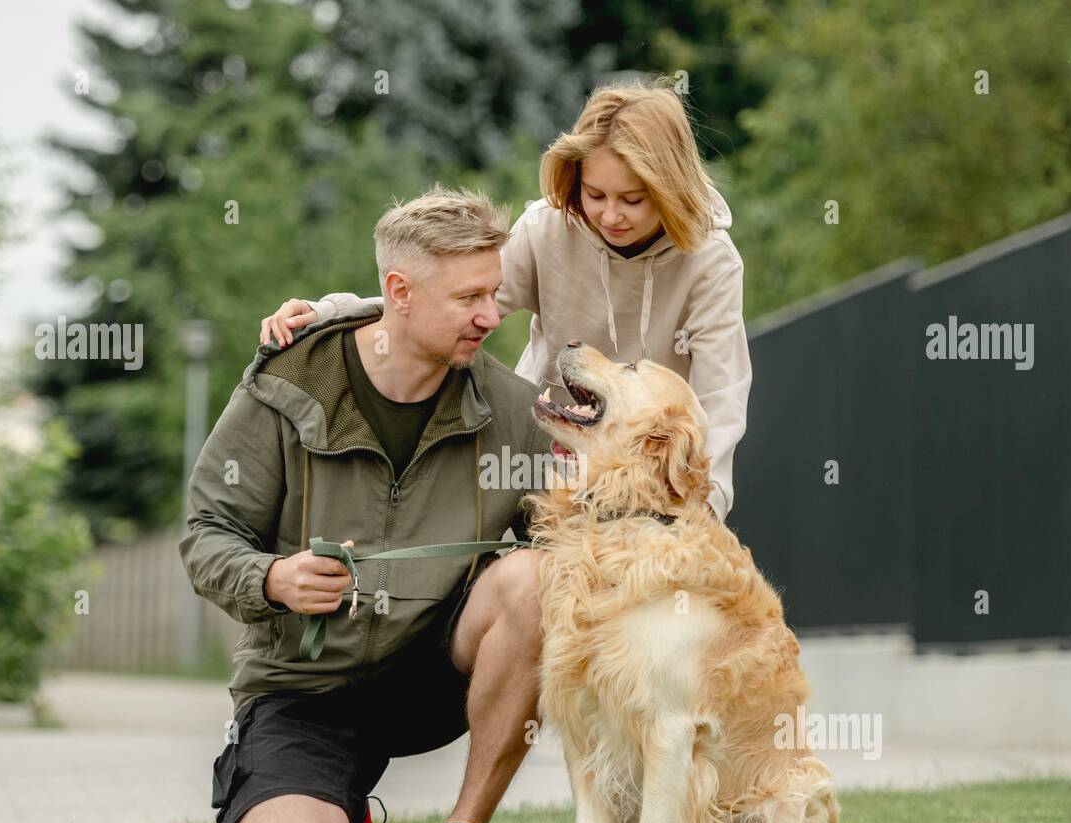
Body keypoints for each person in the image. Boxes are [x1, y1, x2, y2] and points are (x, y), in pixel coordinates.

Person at [181, 185, 554, 823]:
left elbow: (569, 550)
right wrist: (272, 579)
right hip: (304, 686)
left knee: (539, 578)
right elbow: (206, 534)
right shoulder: (283, 387)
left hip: (436, 675)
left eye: (493, 294)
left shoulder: (511, 408)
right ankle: (342, 809)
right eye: (469, 298)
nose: (490, 316)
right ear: (399, 292)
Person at [261, 78, 752, 522]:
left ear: (668, 188)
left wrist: (706, 504)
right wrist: (329, 311)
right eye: (595, 194)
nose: (610, 215)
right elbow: (446, 301)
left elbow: (720, 398)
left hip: (645, 470)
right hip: (547, 447)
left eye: (633, 199)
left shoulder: (711, 262)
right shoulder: (547, 228)